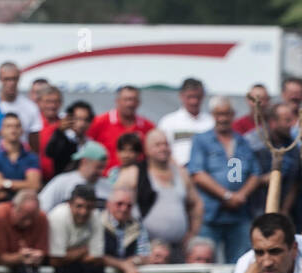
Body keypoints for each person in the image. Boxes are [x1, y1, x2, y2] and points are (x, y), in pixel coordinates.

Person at [189, 98, 263, 264]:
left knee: (239, 263)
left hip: (239, 214)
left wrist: (240, 195)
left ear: (233, 115)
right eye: (219, 114)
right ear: (213, 115)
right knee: (205, 261)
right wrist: (227, 195)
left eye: (226, 114)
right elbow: (198, 173)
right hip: (210, 214)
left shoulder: (242, 142)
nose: (223, 118)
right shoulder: (202, 140)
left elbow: (255, 174)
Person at [115, 128, 201, 256]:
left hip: (177, 247)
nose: (163, 148)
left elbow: (196, 204)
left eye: (166, 144)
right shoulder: (133, 173)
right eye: (158, 145)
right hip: (144, 248)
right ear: (147, 149)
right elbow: (114, 204)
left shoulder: (181, 173)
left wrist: (192, 233)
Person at [48, 183, 105, 273]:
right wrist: (83, 251)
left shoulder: (95, 216)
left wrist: (70, 254)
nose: (84, 212)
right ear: (69, 204)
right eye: (79, 206)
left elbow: (96, 257)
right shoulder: (58, 216)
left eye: (89, 207)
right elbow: (55, 260)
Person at [245, 103, 302, 221]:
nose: (292, 125)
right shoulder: (251, 143)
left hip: (280, 212)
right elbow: (235, 178)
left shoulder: (292, 147)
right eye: (287, 120)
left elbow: (294, 182)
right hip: (251, 211)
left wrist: (285, 210)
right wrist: (260, 180)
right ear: (273, 122)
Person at [0, 61, 42, 152]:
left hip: (21, 159)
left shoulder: (30, 107)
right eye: (7, 79)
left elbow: (34, 142)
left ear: (19, 78)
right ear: (0, 79)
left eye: (14, 79)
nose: (11, 83)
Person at [89, 85, 154, 176]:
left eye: (133, 100)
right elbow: (86, 148)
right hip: (104, 180)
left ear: (139, 102)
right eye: (126, 99)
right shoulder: (99, 122)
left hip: (136, 179)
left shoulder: (148, 127)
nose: (130, 104)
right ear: (117, 101)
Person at [0, 112, 41, 206]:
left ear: (22, 130)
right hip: (1, 205)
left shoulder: (31, 157)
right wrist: (24, 184)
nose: (13, 130)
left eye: (17, 126)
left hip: (26, 205)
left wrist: (6, 183)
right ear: (1, 131)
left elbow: (34, 185)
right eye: (9, 126)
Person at [37, 140, 108, 212]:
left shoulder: (107, 186)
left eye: (103, 167)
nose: (101, 172)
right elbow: (42, 207)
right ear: (84, 162)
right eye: (99, 167)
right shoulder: (61, 182)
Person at [158, 78, 213, 167]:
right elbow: (161, 151)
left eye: (197, 97)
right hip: (176, 173)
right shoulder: (168, 122)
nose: (194, 101)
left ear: (203, 96)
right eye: (190, 97)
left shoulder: (211, 122)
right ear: (181, 96)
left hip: (207, 173)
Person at [42, 100, 94, 180]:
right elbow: (50, 152)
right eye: (78, 119)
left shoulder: (90, 142)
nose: (82, 124)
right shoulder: (62, 137)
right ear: (69, 119)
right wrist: (59, 132)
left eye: (86, 120)